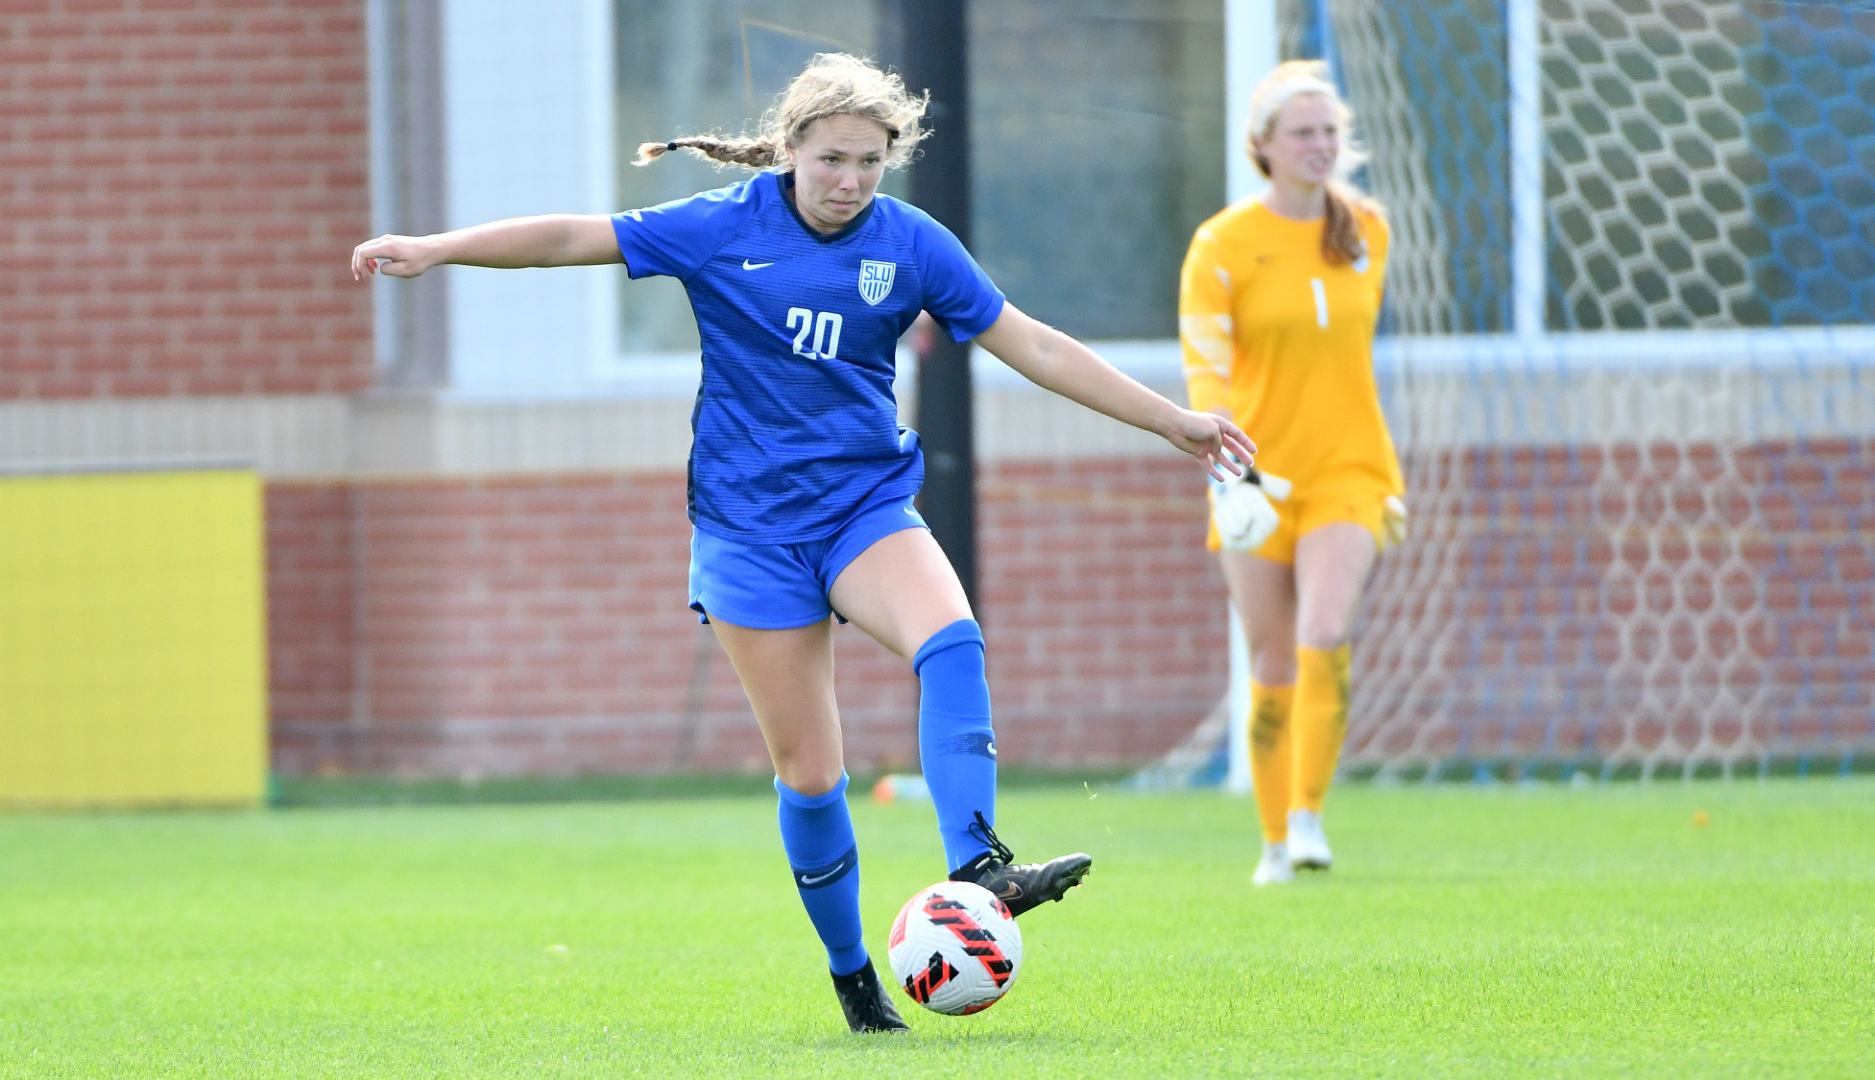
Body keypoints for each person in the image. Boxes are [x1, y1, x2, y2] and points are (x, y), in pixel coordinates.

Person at [352, 53, 1255, 1031]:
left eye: (870, 161)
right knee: (814, 775)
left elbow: (1030, 342)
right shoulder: (720, 226)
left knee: (950, 639)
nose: (850, 181)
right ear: (789, 151)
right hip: (749, 537)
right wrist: (436, 247)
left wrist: (1174, 419)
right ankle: (855, 979)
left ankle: (980, 860)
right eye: (831, 159)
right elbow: (577, 235)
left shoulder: (912, 245)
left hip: (864, 510)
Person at [1178, 61, 1405, 887]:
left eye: (1329, 131)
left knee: (1325, 630)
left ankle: (1310, 819)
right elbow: (1205, 368)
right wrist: (1225, 468)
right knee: (1271, 659)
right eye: (1303, 133)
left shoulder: (1368, 230)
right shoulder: (1221, 245)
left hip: (1351, 468)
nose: (1321, 145)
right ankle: (1275, 840)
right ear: (1264, 145)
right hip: (1254, 480)